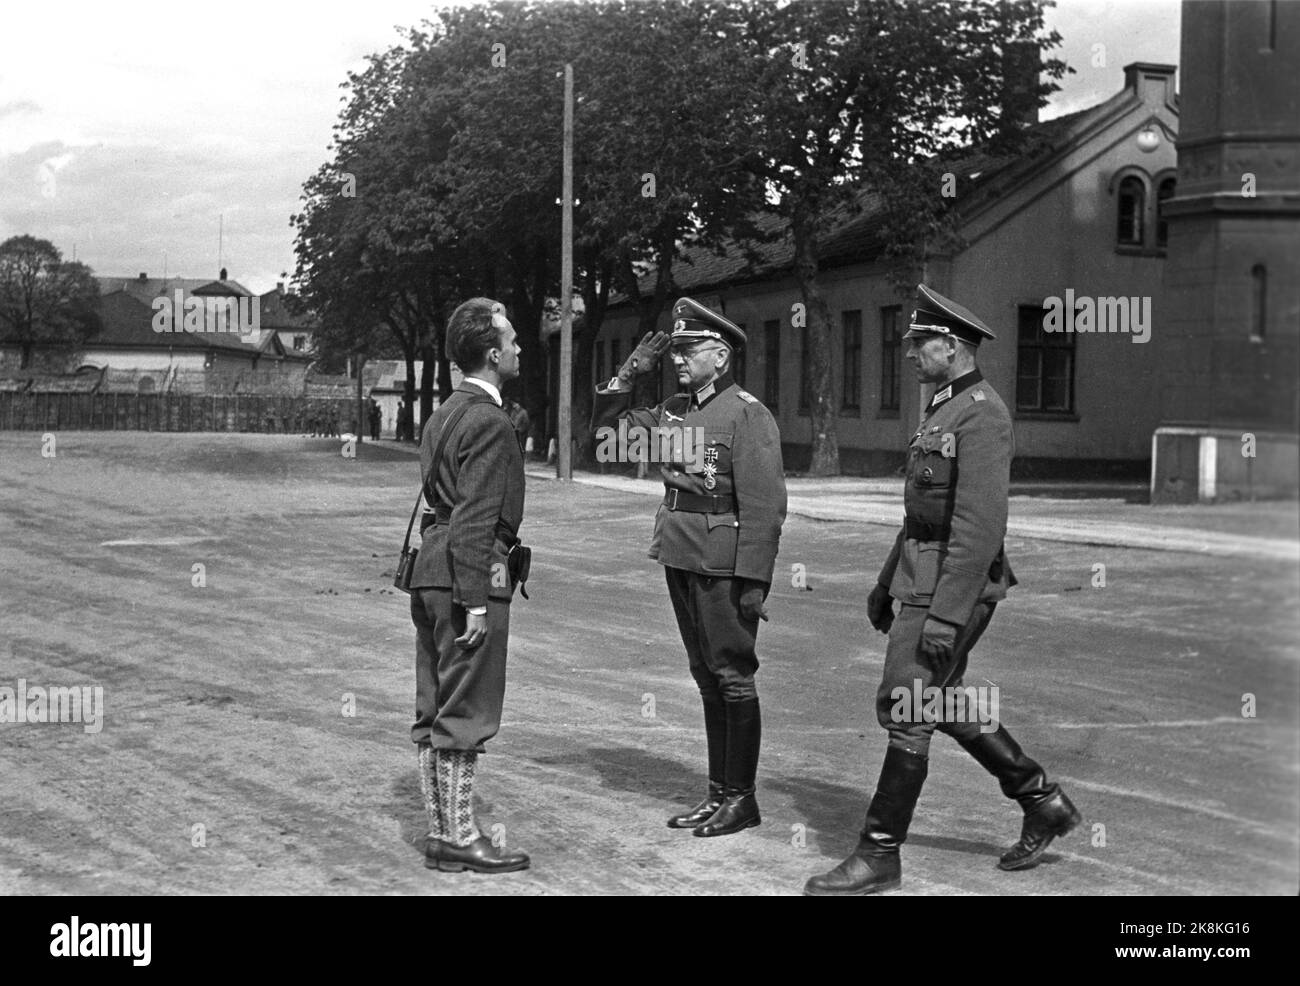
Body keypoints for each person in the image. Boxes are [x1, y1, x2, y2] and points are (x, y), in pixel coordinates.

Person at [804, 284, 1081, 896]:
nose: (908, 355)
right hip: (923, 576)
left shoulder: (982, 412)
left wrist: (946, 617)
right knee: (941, 701)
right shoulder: (944, 407)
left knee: (906, 705)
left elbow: (980, 528)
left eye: (917, 343)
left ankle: (879, 854)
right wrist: (885, 583)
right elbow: (923, 514)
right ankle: (1043, 801)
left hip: (952, 587)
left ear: (950, 346)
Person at [593, 298, 787, 838]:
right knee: (706, 678)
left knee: (731, 675)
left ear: (720, 356)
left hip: (723, 563)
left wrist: (754, 582)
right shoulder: (672, 411)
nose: (677, 359)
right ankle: (718, 794)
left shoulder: (747, 413)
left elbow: (766, 508)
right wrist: (629, 374)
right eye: (674, 350)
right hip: (678, 551)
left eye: (688, 349)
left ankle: (742, 798)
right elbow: (605, 442)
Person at [407, 297, 529, 874]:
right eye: (512, 340)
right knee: (466, 708)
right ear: (492, 354)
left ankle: (441, 834)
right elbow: (478, 517)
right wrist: (476, 602)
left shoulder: (443, 414)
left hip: (430, 570)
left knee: (436, 703)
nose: (519, 347)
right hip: (467, 574)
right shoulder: (488, 420)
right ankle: (460, 837)